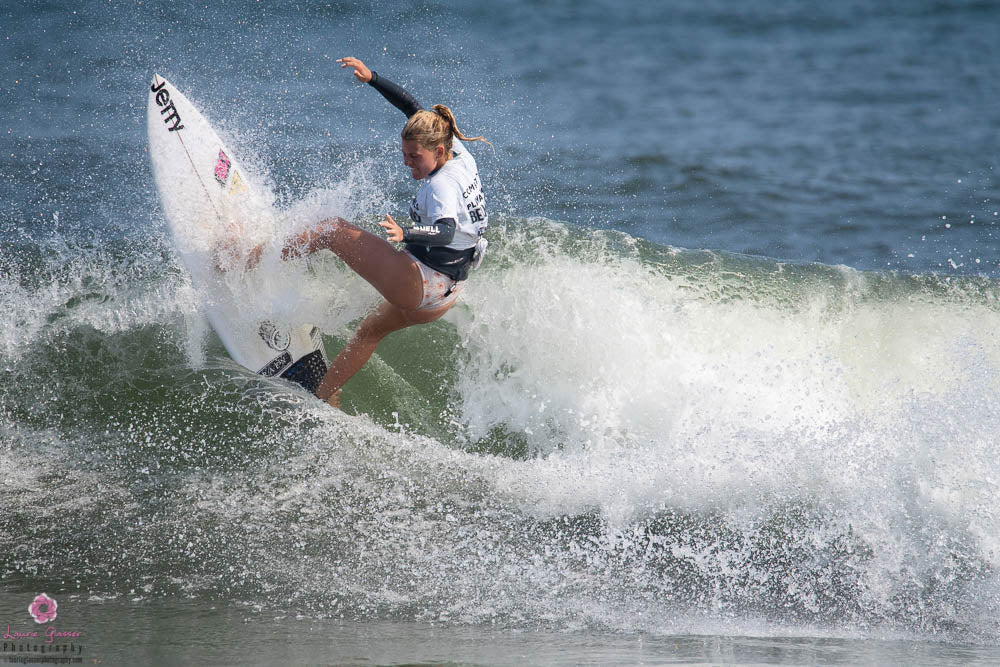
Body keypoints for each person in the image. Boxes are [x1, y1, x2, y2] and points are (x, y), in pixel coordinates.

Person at [276, 56, 490, 408]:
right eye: (405, 153)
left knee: (331, 230)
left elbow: (445, 231)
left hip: (425, 279)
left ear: (438, 151)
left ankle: (249, 260)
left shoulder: (442, 185)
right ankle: (324, 397)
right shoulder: (457, 152)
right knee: (369, 332)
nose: (407, 162)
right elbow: (413, 107)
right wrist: (372, 78)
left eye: (414, 157)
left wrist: (407, 234)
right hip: (447, 292)